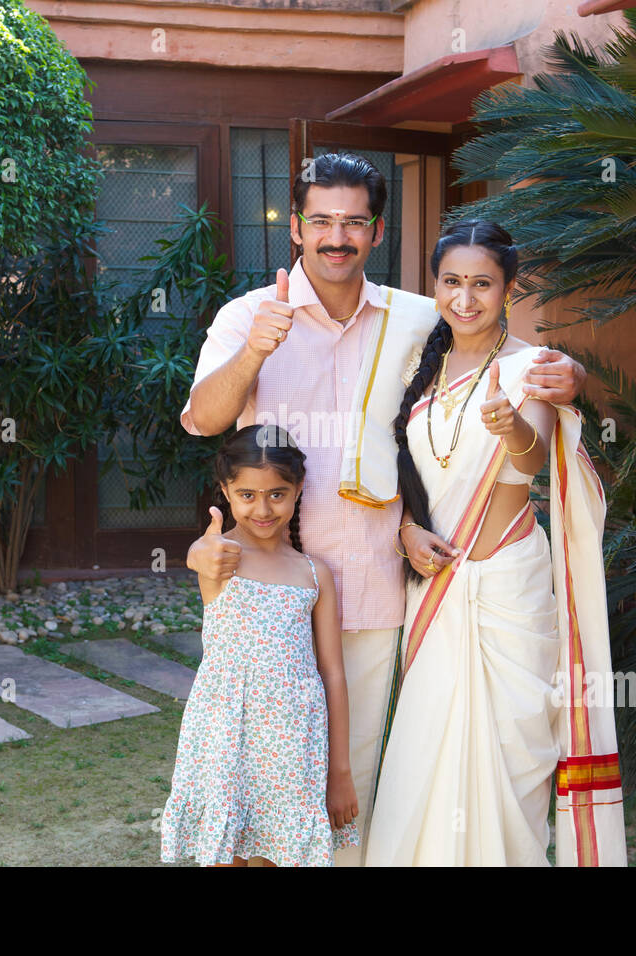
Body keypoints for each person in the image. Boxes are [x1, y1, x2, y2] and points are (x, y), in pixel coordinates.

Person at [180, 152, 589, 865]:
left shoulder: (415, 317)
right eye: (322, 221)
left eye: (354, 222)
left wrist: (568, 372)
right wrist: (254, 352)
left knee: (352, 781)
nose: (337, 237)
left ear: (375, 231)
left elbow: (489, 339)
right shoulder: (248, 315)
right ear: (297, 228)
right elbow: (203, 419)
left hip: (371, 584)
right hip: (268, 588)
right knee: (252, 781)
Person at [364, 220, 627, 866]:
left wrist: (510, 427)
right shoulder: (411, 367)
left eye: (482, 284)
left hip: (509, 591)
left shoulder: (528, 368)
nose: (465, 298)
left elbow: (532, 463)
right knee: (425, 753)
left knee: (512, 759)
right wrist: (402, 530)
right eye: (451, 282)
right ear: (435, 285)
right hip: (436, 591)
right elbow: (389, 468)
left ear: (508, 287)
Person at [160, 424, 359, 867]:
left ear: (298, 489)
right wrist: (199, 550)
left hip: (292, 745)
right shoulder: (221, 557)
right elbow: (200, 554)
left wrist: (340, 771)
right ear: (226, 490)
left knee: (278, 856)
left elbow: (333, 673)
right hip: (225, 737)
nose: (263, 509)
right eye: (247, 495)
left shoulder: (313, 573)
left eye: (277, 494)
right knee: (224, 854)